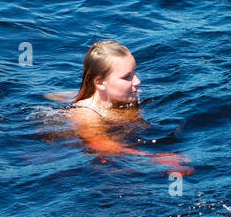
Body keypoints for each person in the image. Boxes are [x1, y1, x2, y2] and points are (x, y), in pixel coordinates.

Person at [67, 40, 191, 173]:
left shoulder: (124, 98)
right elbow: (101, 145)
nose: (138, 81)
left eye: (134, 73)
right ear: (100, 83)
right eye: (127, 77)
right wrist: (156, 158)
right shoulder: (87, 114)